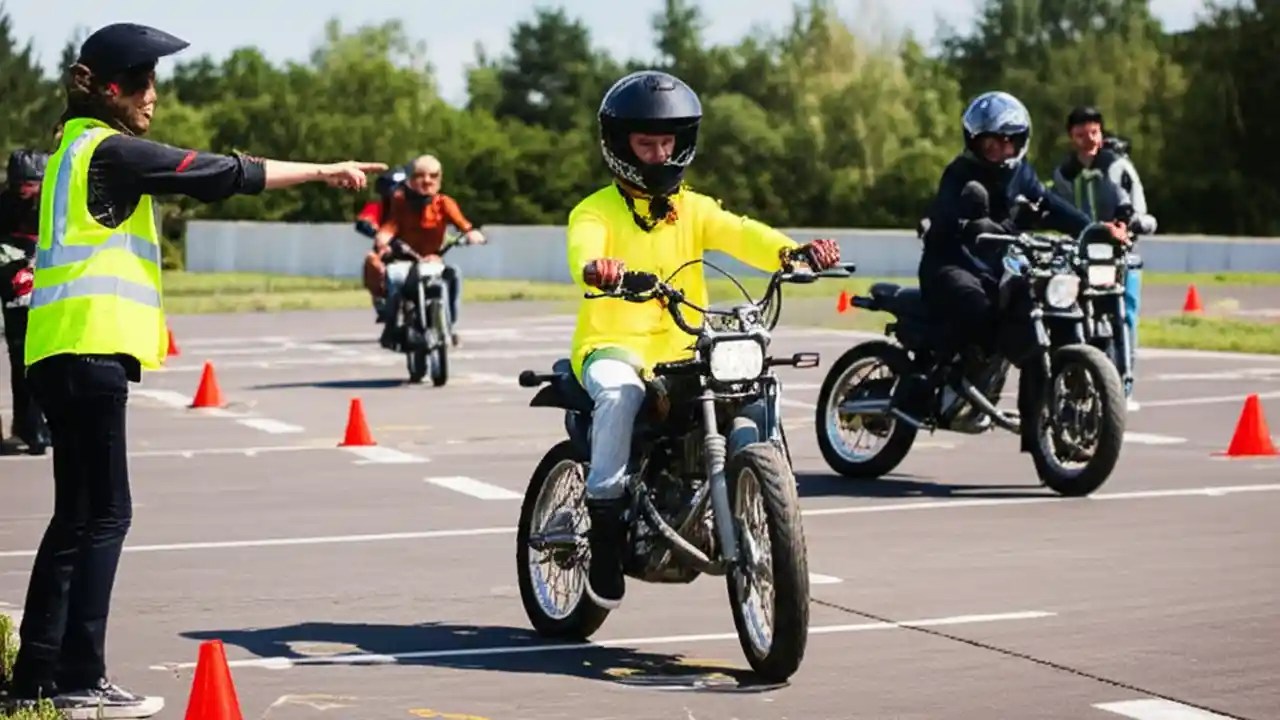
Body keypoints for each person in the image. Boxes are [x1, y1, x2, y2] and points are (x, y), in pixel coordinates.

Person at [2, 22, 386, 719]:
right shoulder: (111, 151)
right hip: (90, 353)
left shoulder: (66, 149)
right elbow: (219, 173)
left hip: (56, 352)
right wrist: (324, 170)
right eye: (144, 83)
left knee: (74, 519)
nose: (153, 96)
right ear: (110, 88)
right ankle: (80, 677)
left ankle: (36, 675)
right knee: (105, 515)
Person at [567, 69, 842, 609]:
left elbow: (741, 232)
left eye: (667, 142)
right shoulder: (594, 209)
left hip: (685, 345)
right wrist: (598, 268)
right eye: (646, 143)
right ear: (620, 145)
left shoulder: (693, 208)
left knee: (756, 382)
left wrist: (794, 253)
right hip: (613, 345)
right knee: (621, 393)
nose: (658, 154)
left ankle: (762, 494)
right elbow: (584, 249)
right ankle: (603, 526)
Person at [1048, 105, 1157, 411]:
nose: (1088, 139)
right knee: (1069, 315)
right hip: (1080, 259)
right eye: (1080, 134)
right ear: (1071, 137)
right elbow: (1056, 208)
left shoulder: (1118, 166)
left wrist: (1134, 223)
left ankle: (1124, 387)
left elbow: (1138, 208)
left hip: (1120, 257)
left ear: (1101, 132)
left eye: (1093, 132)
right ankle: (1075, 383)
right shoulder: (1063, 174)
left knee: (1125, 316)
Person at [364, 154, 485, 348]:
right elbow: (391, 224)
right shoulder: (400, 201)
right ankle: (392, 327)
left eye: (433, 176)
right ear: (410, 179)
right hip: (406, 259)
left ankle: (450, 326)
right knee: (393, 279)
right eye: (420, 175)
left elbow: (463, 224)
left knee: (453, 274)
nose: (427, 180)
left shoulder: (444, 203)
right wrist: (384, 236)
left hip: (433, 260)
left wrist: (472, 234)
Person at [0, 149, 52, 455]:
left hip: (47, 292)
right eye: (19, 184)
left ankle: (38, 423)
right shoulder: (4, 205)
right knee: (22, 361)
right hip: (14, 294)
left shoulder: (54, 204)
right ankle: (30, 426)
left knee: (47, 363)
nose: (24, 191)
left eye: (30, 184)